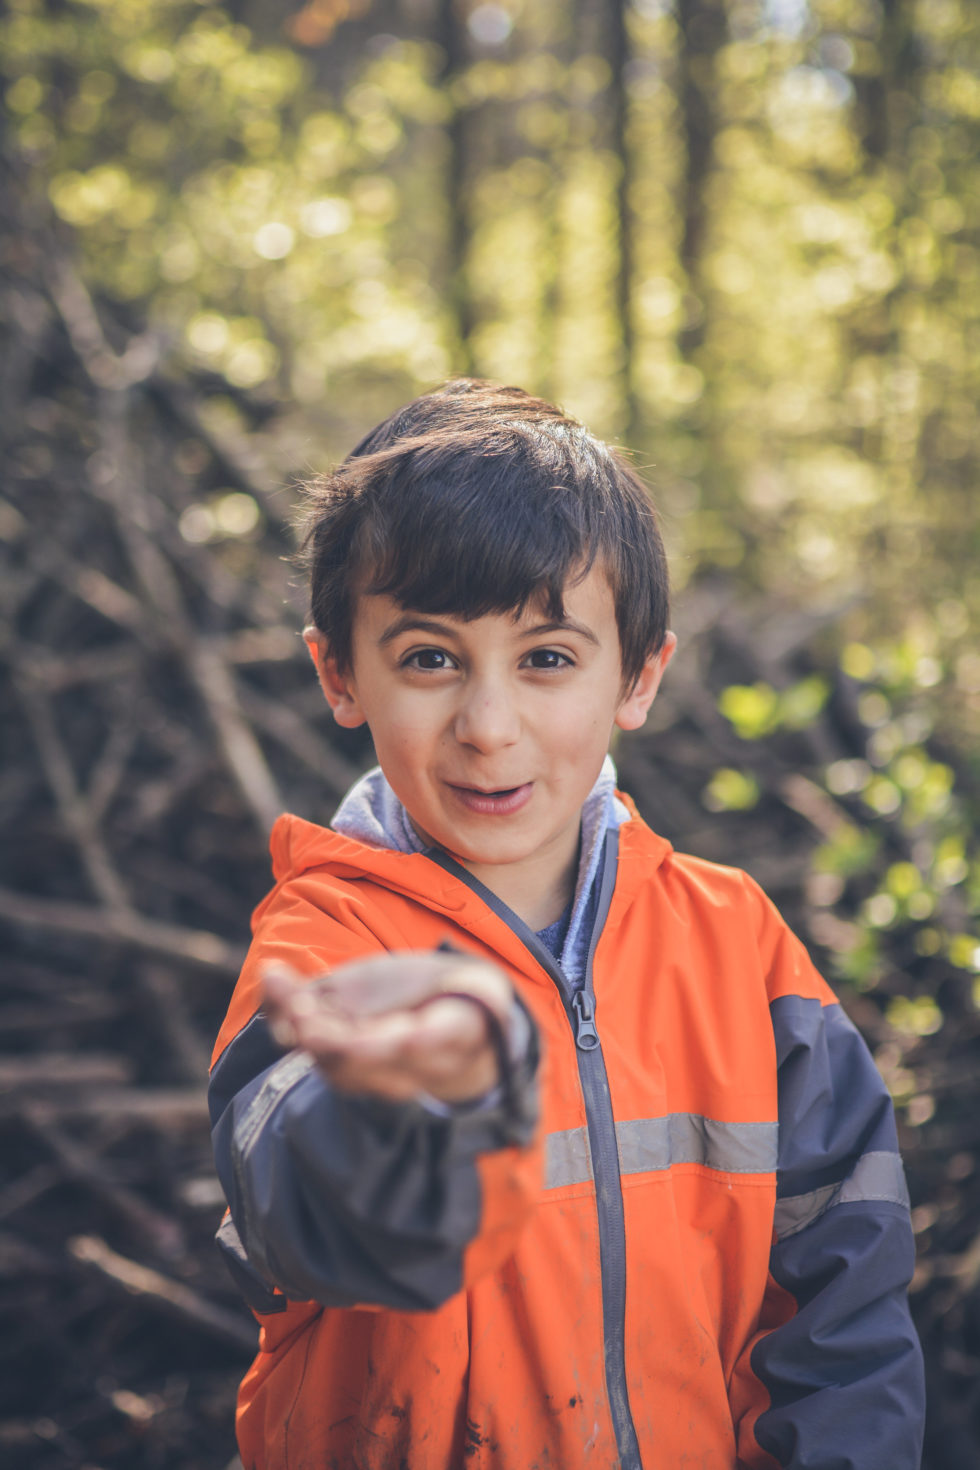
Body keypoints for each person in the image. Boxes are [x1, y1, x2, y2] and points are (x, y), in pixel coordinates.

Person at [209, 380, 925, 1470]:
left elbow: (847, 1306)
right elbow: (295, 1209)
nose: (488, 728)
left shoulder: (735, 945)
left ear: (638, 676)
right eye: (428, 658)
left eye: (545, 658)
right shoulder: (321, 948)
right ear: (337, 673)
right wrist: (400, 1108)